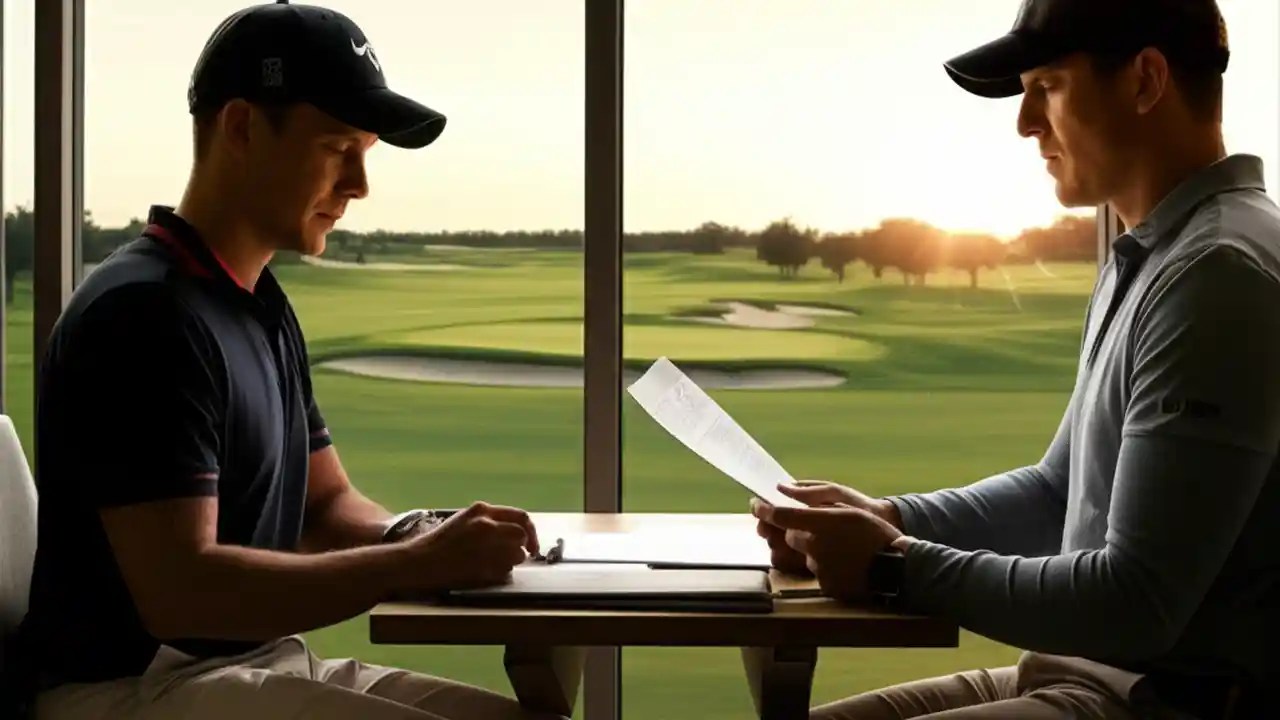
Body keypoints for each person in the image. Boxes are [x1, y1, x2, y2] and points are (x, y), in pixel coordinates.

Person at [20, 3, 561, 719]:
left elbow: (326, 505)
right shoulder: (144, 314)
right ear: (241, 127)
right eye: (339, 148)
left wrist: (418, 533)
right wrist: (417, 564)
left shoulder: (257, 302)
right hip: (130, 690)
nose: (360, 184)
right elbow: (180, 590)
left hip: (247, 661)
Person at [752, 0, 1276, 718]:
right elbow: (1059, 491)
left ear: (1146, 81)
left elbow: (1137, 603)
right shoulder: (1160, 253)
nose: (1026, 123)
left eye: (1048, 87)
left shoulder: (1218, 273)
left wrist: (889, 565)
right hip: (1088, 676)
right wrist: (889, 517)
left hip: (1169, 700)